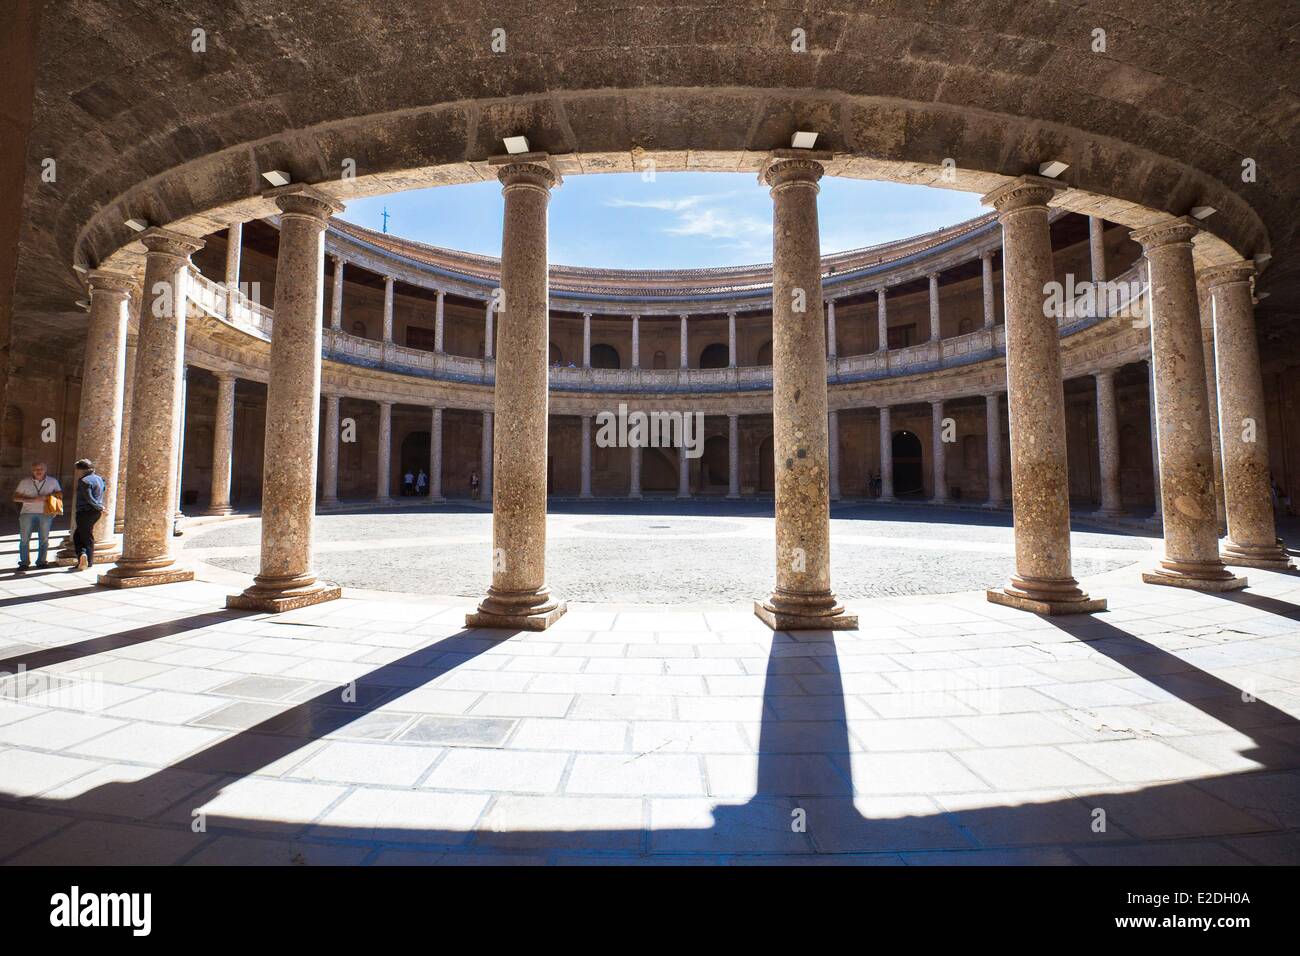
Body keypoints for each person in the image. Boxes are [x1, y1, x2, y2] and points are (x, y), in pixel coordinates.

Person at [12, 460, 62, 571]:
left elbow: (59, 494)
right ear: (32, 471)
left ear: (45, 470)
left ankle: (42, 561)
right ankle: (24, 563)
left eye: (41, 469)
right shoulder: (24, 482)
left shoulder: (53, 481)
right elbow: (15, 497)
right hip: (27, 513)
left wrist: (48, 497)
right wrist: (32, 500)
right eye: (36, 469)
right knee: (24, 539)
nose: (38, 471)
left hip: (46, 513)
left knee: (44, 539)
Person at [70, 458, 106, 571]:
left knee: (85, 537)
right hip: (95, 512)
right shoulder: (100, 479)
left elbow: (89, 498)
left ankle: (86, 559)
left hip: (85, 512)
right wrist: (100, 507)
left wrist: (100, 507)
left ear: (81, 470)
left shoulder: (84, 481)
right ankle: (83, 556)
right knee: (80, 535)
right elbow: (101, 492)